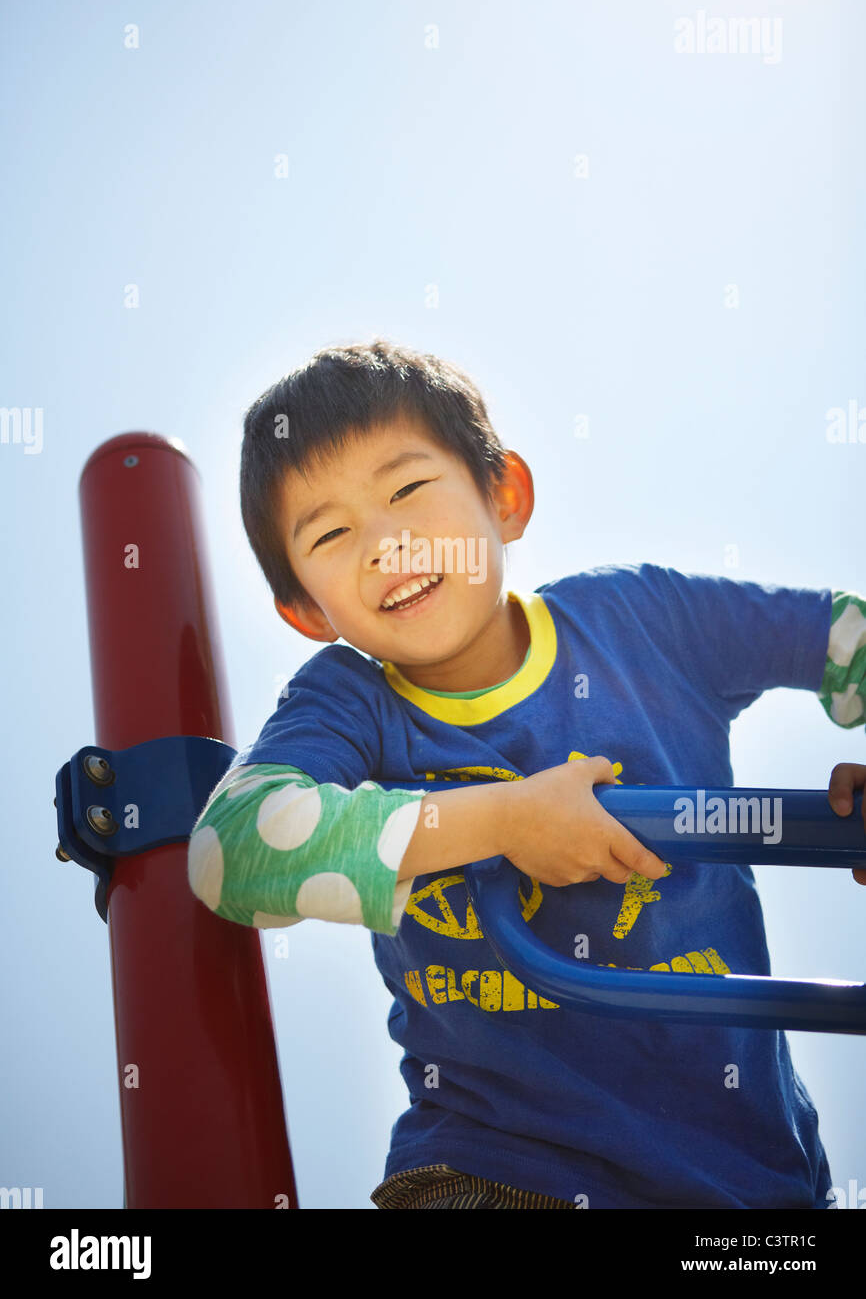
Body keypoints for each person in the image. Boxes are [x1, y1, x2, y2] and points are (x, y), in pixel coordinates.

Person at [187, 338, 866, 1209]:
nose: (385, 544)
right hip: (498, 1168)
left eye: (406, 490)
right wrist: (503, 822)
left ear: (503, 495)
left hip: (747, 1181)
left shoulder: (638, 620)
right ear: (309, 610)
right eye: (331, 533)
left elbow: (842, 638)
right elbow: (230, 850)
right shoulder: (352, 706)